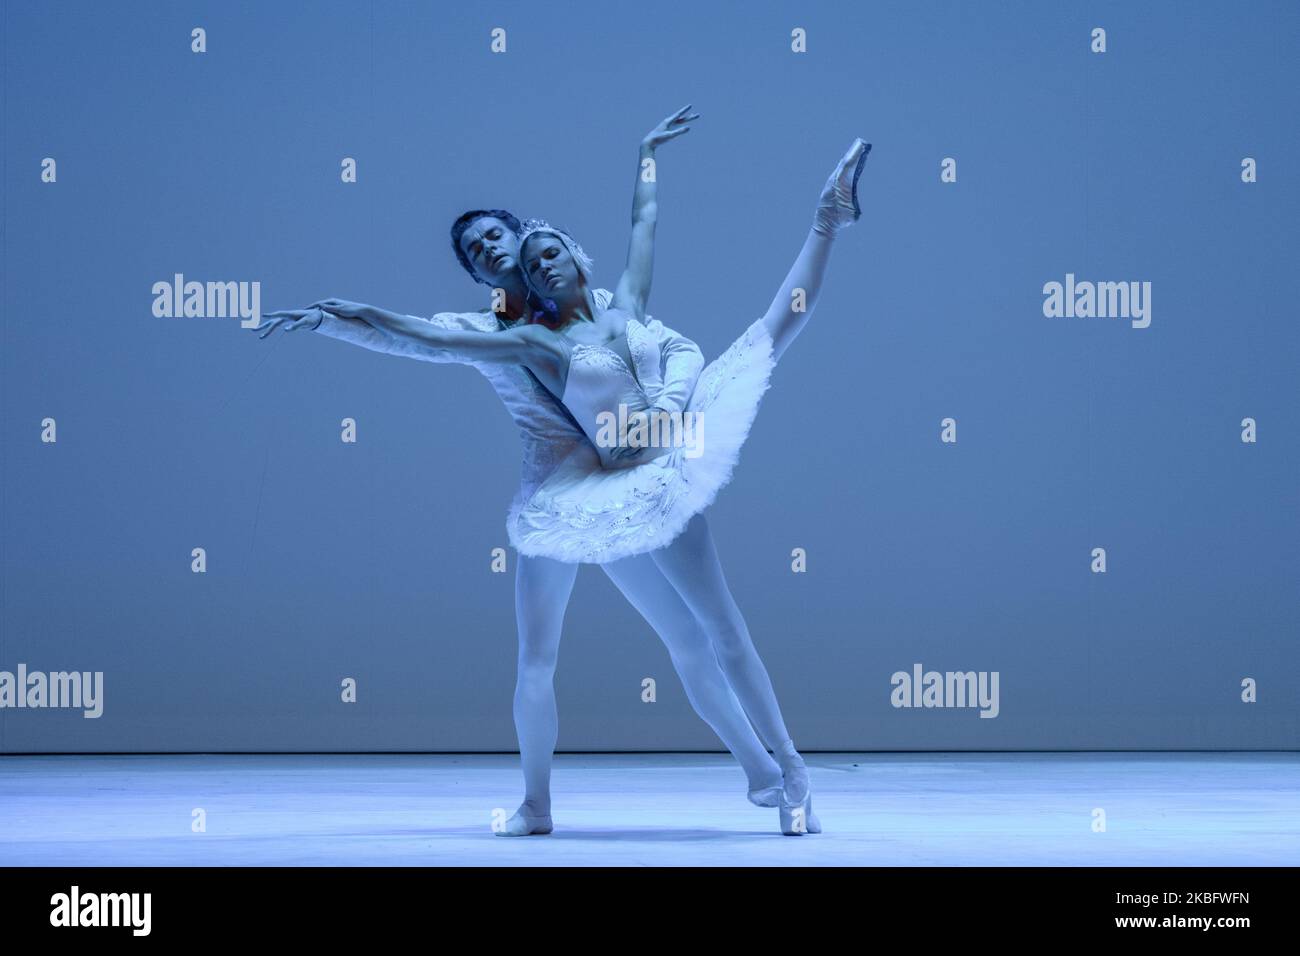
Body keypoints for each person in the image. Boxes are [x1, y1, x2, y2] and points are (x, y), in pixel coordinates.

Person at [295, 106, 869, 832]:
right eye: (483, 251)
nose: (509, 255)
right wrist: (346, 317)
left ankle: (826, 218)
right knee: (612, 645)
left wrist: (648, 155)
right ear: (483, 272)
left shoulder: (616, 305)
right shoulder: (527, 340)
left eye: (525, 244)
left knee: (769, 340)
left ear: (566, 249)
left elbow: (645, 226)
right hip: (585, 488)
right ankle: (545, 801)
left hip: (658, 459)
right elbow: (428, 339)